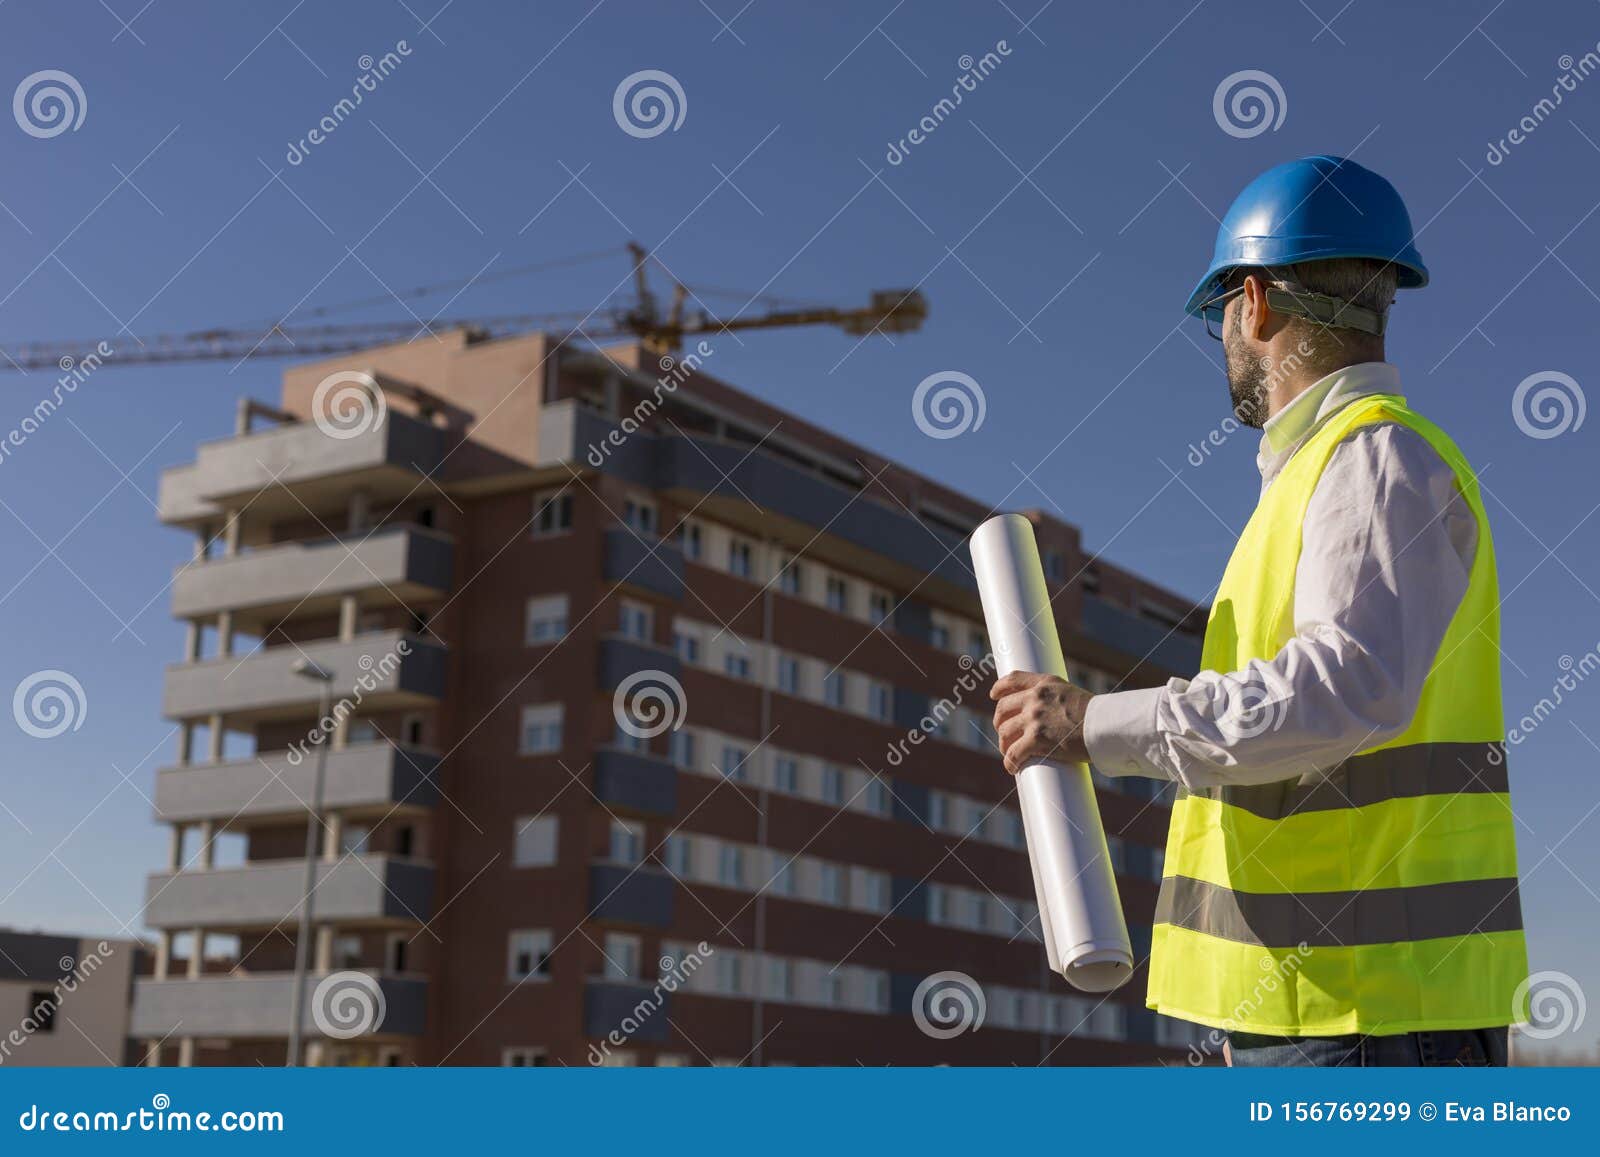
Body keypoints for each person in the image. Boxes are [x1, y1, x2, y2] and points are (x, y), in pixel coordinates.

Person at [990, 156, 1527, 1067]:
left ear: (1255, 302)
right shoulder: (1334, 471)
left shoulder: (1370, 459)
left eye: (1222, 319)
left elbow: (1342, 689)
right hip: (1327, 1010)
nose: (1227, 343)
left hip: (1364, 1017)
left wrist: (1091, 722)